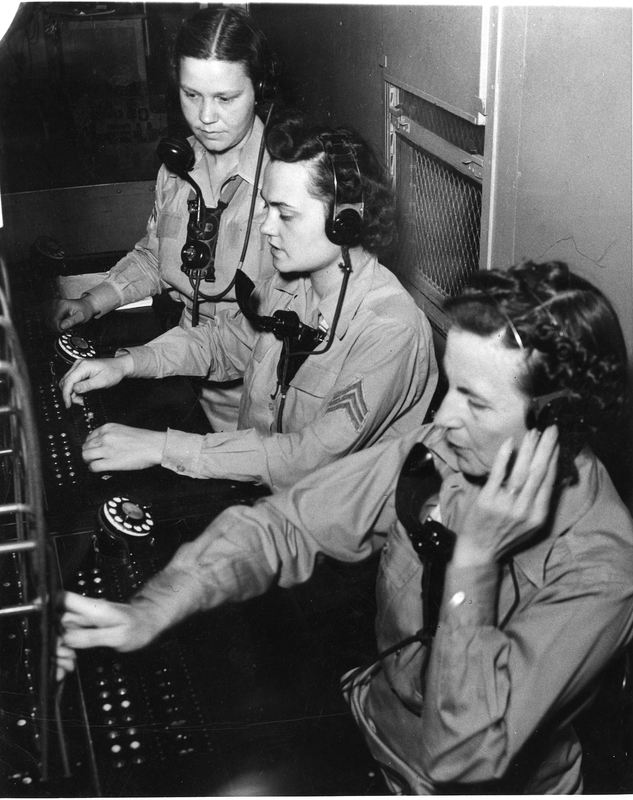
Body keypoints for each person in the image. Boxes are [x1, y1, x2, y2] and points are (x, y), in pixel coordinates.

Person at [59, 259, 631, 793]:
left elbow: (463, 759)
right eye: (450, 388)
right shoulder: (442, 453)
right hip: (372, 720)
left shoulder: (601, 568)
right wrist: (156, 606)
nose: (445, 418)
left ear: (554, 424)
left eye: (475, 403)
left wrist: (474, 564)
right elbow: (287, 526)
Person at [58, 114, 437, 492]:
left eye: (284, 213)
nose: (267, 227)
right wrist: (127, 363)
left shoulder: (391, 329)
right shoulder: (290, 286)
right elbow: (222, 341)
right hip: (261, 501)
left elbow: (310, 457)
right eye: (266, 208)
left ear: (345, 221)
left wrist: (161, 446)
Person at [50, 6, 279, 433]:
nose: (206, 117)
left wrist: (131, 362)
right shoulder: (178, 168)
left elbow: (243, 339)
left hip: (252, 404)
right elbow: (156, 257)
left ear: (259, 88)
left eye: (225, 99)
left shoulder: (285, 187)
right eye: (191, 95)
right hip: (180, 374)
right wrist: (91, 302)